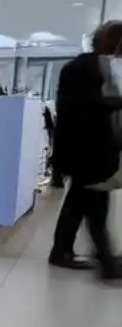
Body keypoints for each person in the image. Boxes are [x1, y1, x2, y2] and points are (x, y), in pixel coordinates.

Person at [48, 21, 122, 276]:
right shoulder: (88, 68)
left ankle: (64, 251)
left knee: (80, 203)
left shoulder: (89, 66)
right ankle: (105, 260)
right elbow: (87, 106)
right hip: (88, 151)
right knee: (94, 205)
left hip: (86, 150)